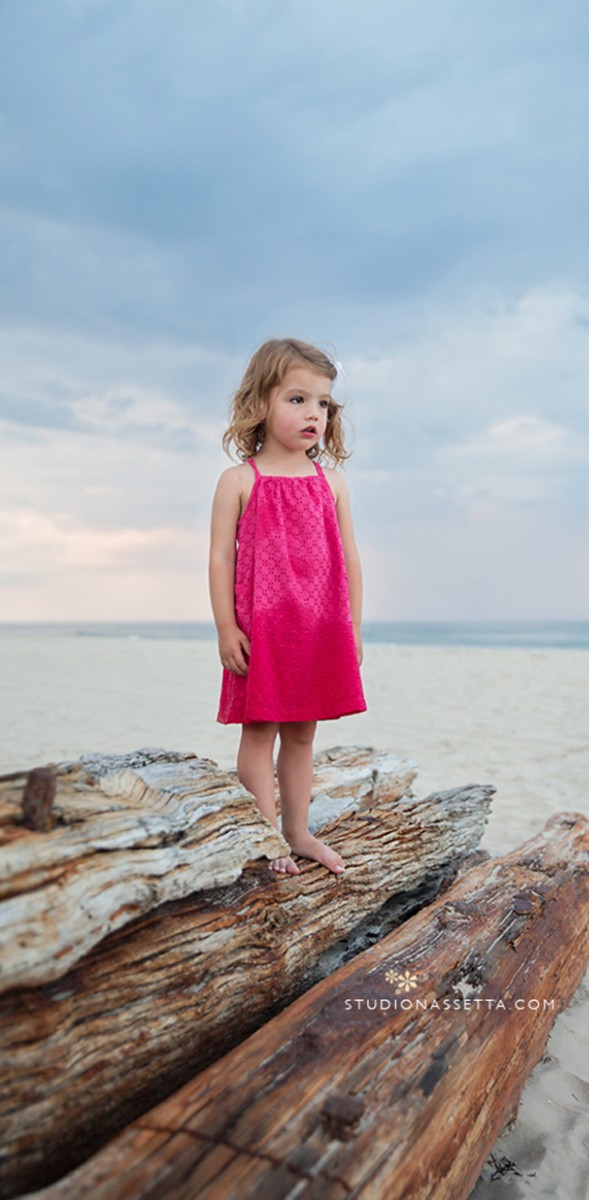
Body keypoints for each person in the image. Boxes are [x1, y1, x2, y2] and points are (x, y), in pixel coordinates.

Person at [209, 337, 366, 877]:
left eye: (323, 403)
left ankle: (298, 832)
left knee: (303, 733)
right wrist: (227, 628)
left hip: (320, 628)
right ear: (260, 404)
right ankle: (265, 836)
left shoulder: (333, 483)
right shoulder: (238, 481)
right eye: (297, 399)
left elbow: (349, 561)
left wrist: (354, 630)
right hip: (265, 629)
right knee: (260, 731)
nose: (313, 414)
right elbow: (219, 560)